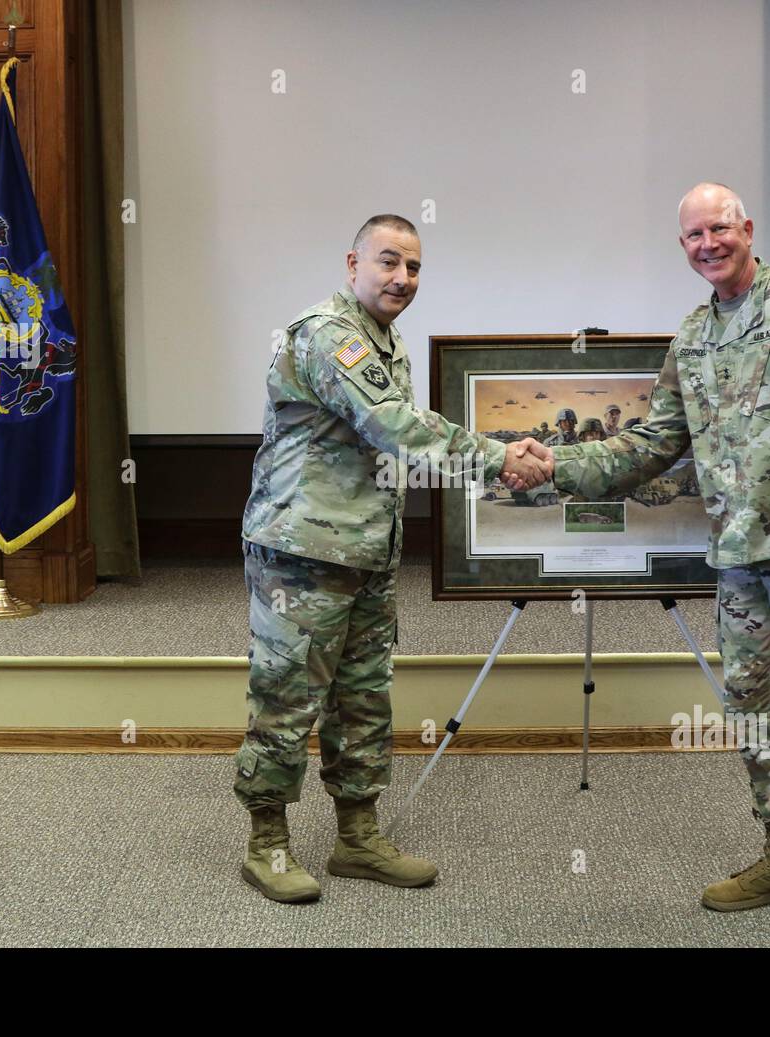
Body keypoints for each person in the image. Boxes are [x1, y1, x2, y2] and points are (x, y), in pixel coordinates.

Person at [509, 183, 770, 945]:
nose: (707, 243)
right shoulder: (693, 338)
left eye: (719, 228)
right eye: (692, 235)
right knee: (754, 709)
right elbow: (649, 446)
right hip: (740, 559)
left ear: (747, 228)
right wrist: (557, 467)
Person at [238, 214, 547, 903]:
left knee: (364, 698)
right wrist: (500, 457)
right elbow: (394, 426)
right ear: (353, 263)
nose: (402, 279)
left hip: (366, 550)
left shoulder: (383, 337)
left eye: (413, 268)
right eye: (388, 262)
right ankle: (267, 843)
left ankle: (357, 836)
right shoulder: (329, 335)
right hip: (303, 551)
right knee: (287, 699)